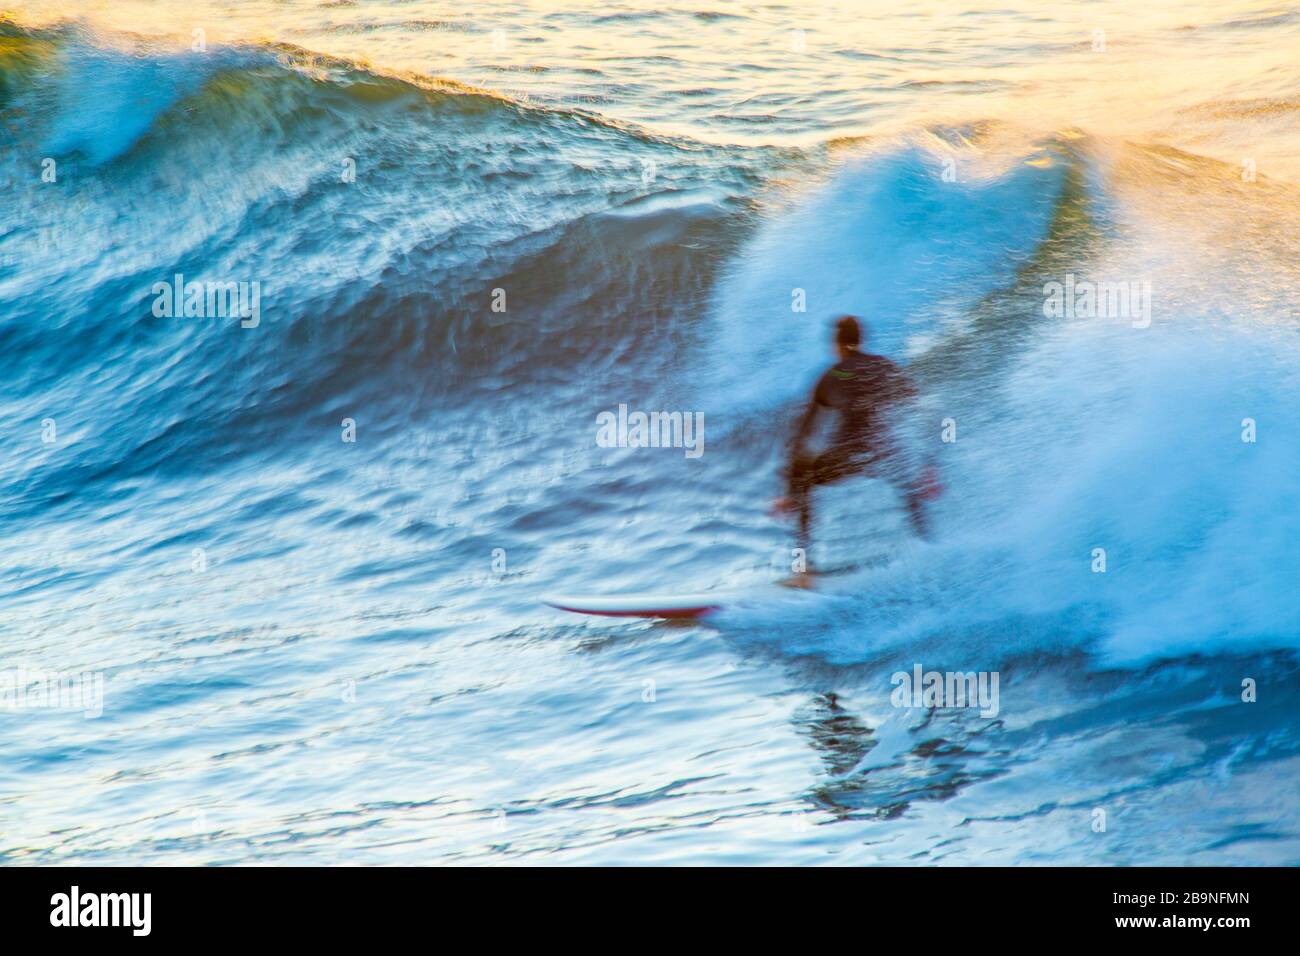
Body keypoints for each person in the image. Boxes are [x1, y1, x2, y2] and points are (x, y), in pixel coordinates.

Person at [772, 315, 936, 575]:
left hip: (847, 455)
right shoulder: (885, 367)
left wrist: (790, 493)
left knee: (801, 471)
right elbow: (925, 410)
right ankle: (929, 550)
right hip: (882, 454)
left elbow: (803, 434)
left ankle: (803, 570)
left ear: (835, 345)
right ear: (861, 340)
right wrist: (929, 467)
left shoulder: (831, 376)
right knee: (908, 485)